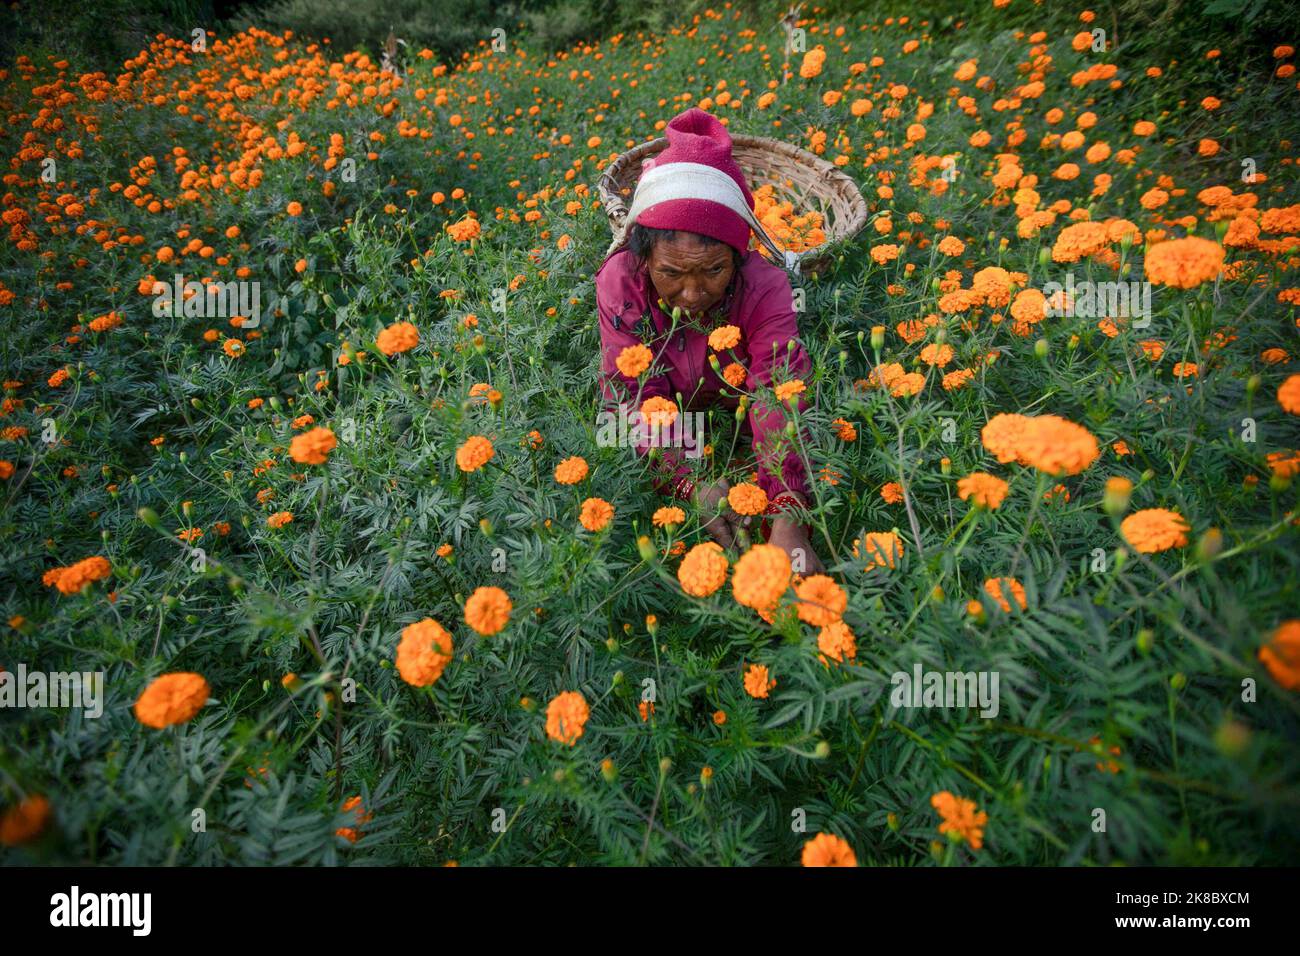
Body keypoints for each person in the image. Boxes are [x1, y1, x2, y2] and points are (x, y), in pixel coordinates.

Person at [595, 107, 825, 573]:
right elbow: (631, 393)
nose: (693, 293)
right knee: (612, 431)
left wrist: (787, 513)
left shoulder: (765, 287)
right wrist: (687, 483)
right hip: (677, 427)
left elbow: (776, 391)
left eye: (714, 270)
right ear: (643, 258)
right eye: (671, 273)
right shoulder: (621, 281)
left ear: (739, 257)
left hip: (734, 421)